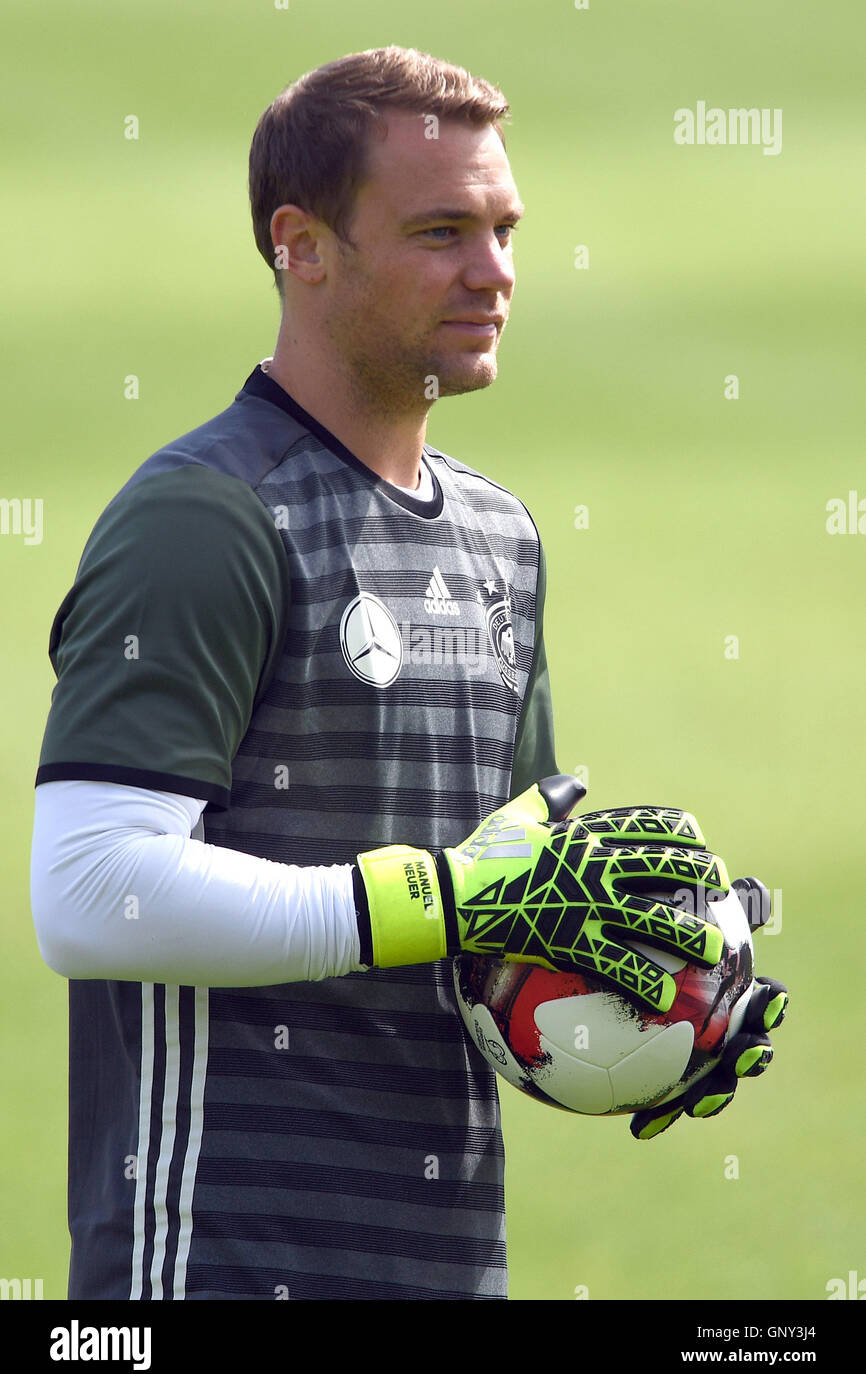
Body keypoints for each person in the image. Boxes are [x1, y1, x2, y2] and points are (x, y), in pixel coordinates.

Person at [30, 46, 786, 1302]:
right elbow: (88, 889)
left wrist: (652, 993)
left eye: (503, 229)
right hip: (213, 1260)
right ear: (301, 245)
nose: (491, 272)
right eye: (439, 231)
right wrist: (421, 902)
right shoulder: (207, 518)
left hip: (439, 1261)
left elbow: (498, 901)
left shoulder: (500, 537)